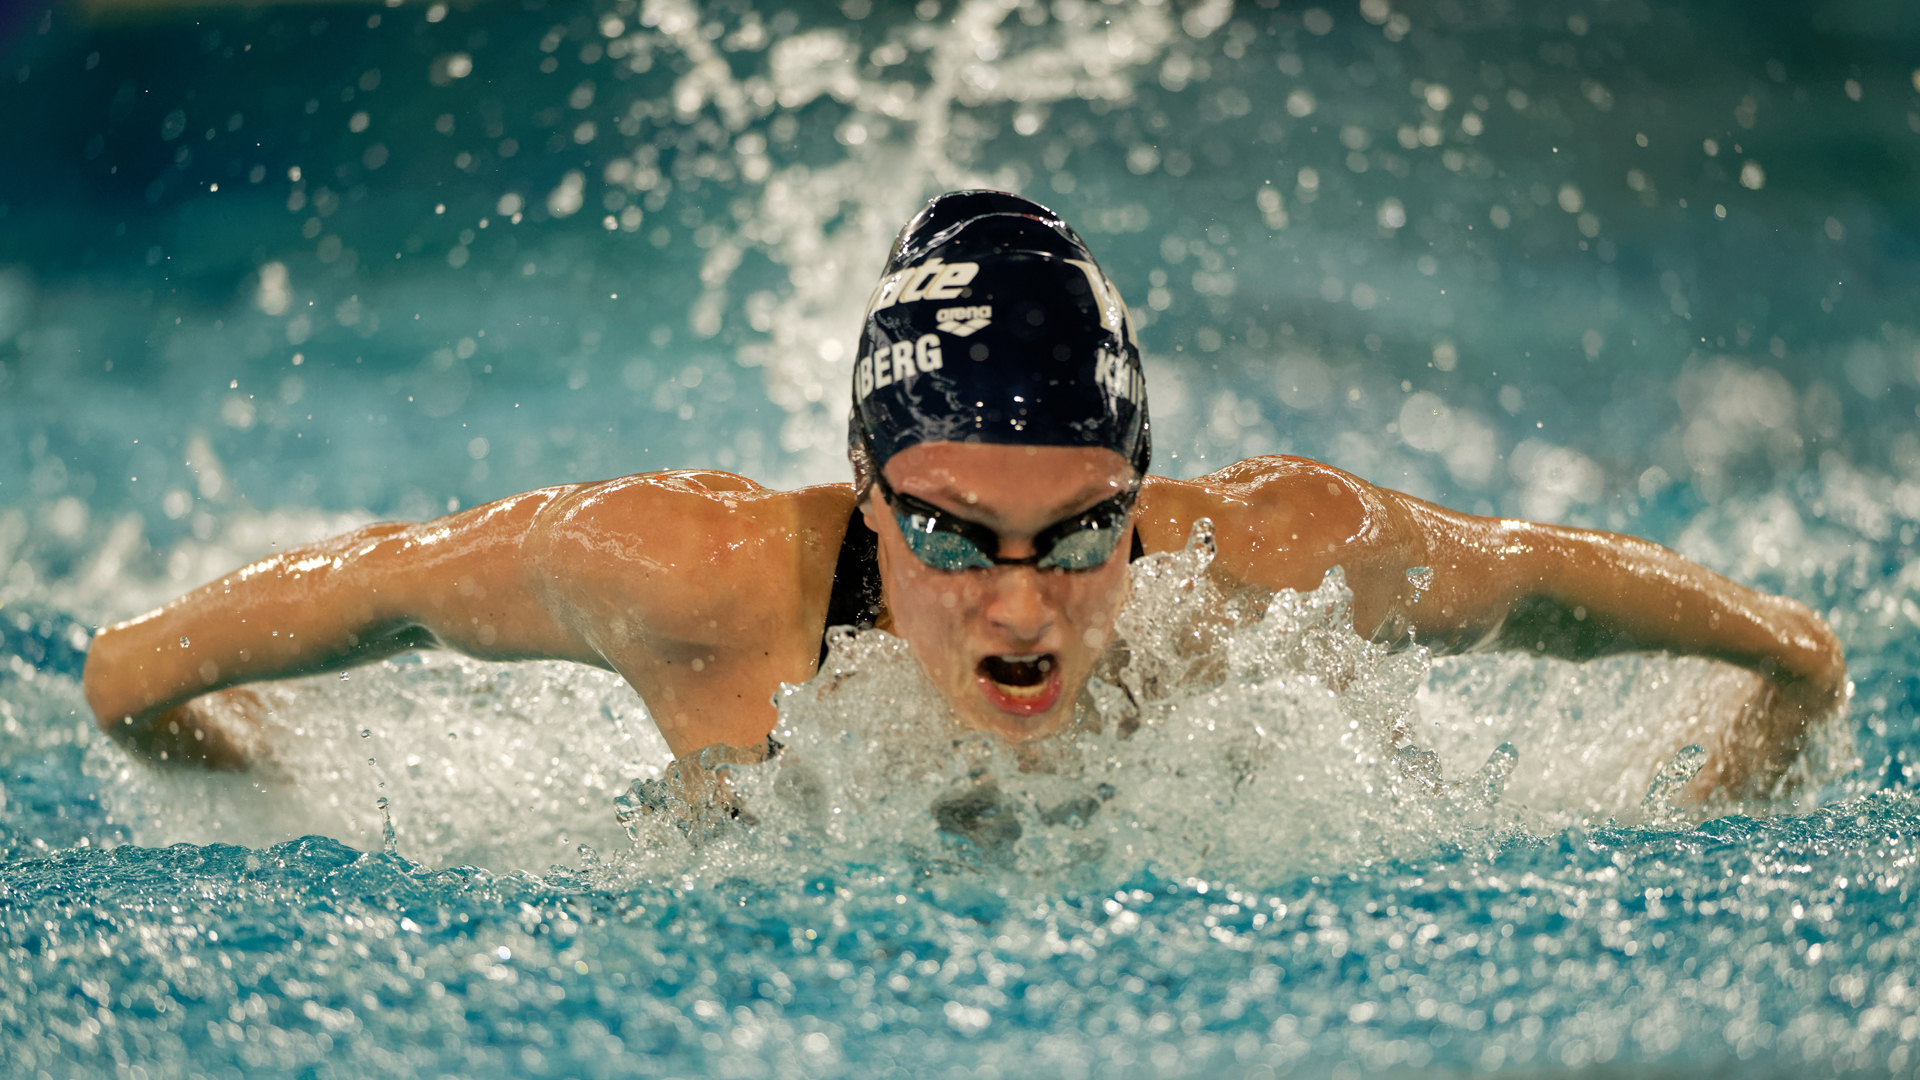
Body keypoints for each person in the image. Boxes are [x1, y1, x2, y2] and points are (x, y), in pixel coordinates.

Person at [81, 191, 1846, 802]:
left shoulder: (1273, 563)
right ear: (862, 489)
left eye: (1083, 535)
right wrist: (258, 795)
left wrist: (1777, 716)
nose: (1020, 603)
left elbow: (1610, 601)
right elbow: (146, 670)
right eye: (946, 535)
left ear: (1144, 495)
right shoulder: (683, 578)